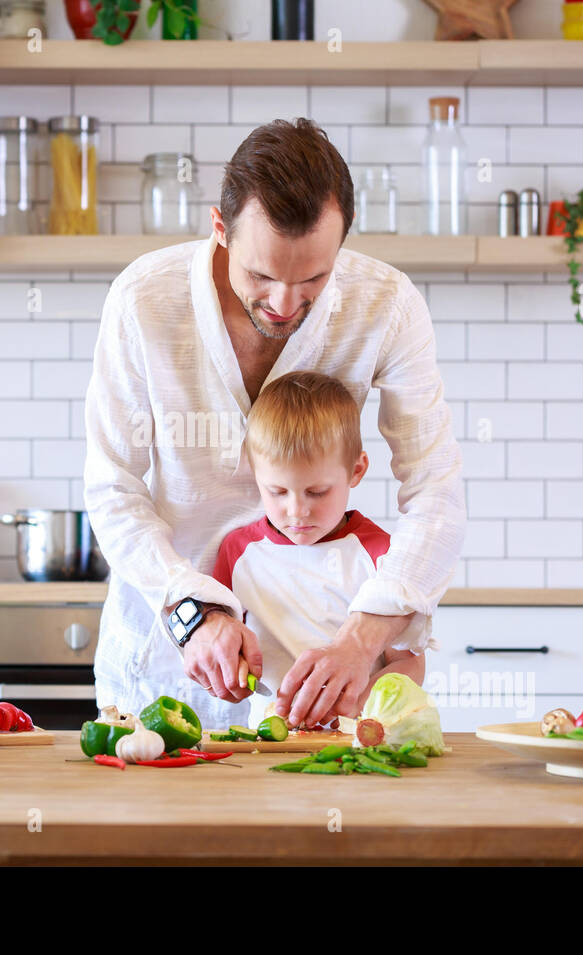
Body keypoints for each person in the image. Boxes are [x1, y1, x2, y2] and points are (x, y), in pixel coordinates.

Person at [83, 117, 464, 733]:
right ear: (219, 229)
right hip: (161, 670)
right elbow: (112, 487)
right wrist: (190, 610)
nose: (285, 304)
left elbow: (437, 494)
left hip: (326, 695)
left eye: (313, 277)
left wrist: (363, 641)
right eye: (261, 276)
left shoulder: (388, 306)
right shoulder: (143, 300)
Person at [209, 371, 435, 730]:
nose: (297, 511)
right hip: (268, 742)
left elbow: (409, 663)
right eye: (278, 492)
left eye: (317, 492)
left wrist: (353, 702)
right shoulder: (237, 553)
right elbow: (222, 647)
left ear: (356, 470)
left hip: (358, 741)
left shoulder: (382, 556)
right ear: (254, 473)